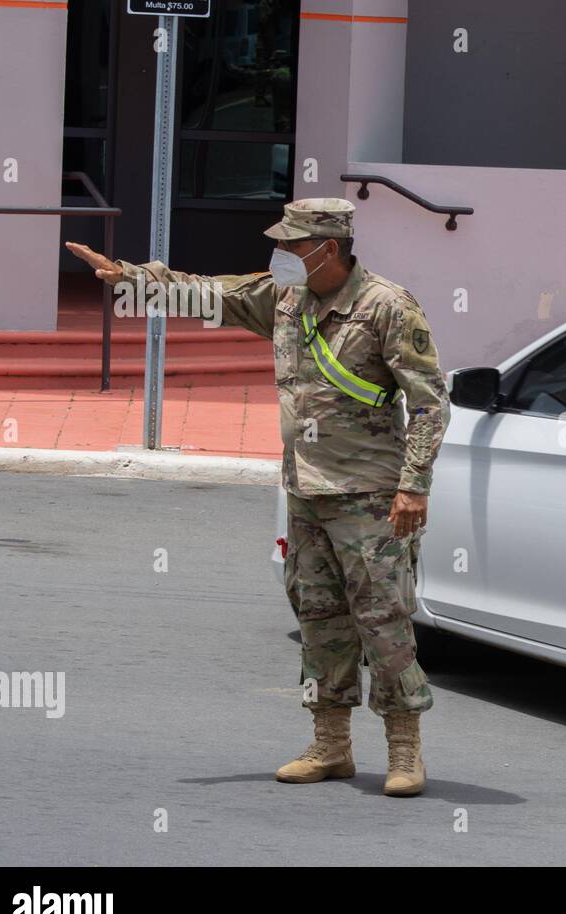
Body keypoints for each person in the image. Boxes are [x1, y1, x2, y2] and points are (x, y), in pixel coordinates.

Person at [66, 197, 449, 797]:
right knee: (318, 617)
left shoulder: (387, 307)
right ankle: (331, 745)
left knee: (383, 621)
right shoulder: (285, 297)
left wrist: (413, 485)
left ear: (329, 247)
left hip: (370, 495)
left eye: (293, 245)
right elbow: (209, 293)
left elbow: (428, 402)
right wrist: (132, 278)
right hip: (306, 490)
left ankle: (404, 749)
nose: (282, 255)